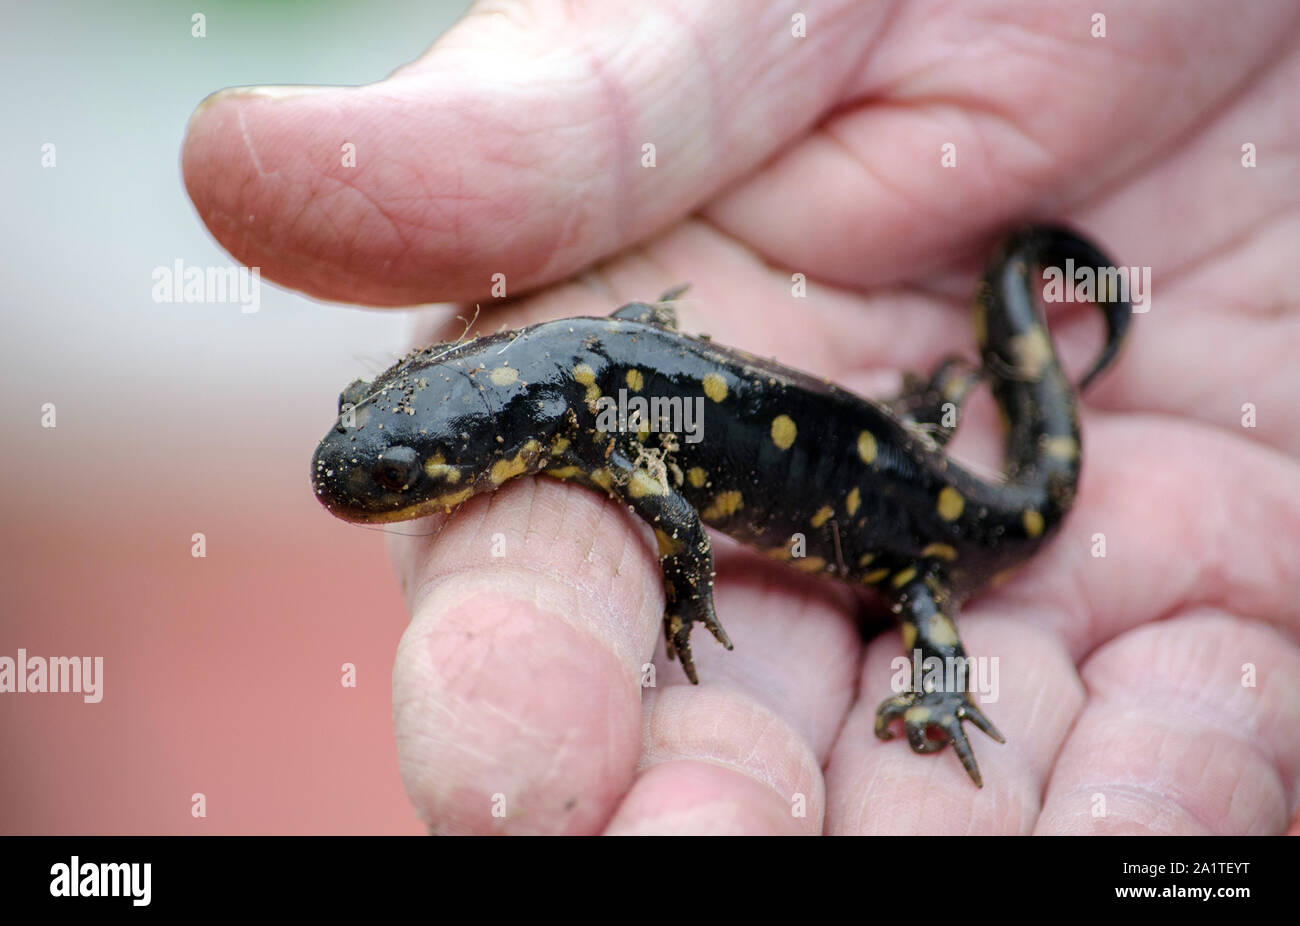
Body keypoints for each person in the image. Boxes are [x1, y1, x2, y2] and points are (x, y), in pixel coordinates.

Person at [183, 0, 1300, 835]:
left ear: (490, 437)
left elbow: (671, 512)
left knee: (920, 581)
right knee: (868, 441)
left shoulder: (574, 405)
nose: (378, 484)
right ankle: (984, 334)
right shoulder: (558, 380)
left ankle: (945, 676)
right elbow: (633, 364)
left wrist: (687, 591)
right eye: (393, 461)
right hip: (862, 447)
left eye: (401, 471)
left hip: (934, 535)